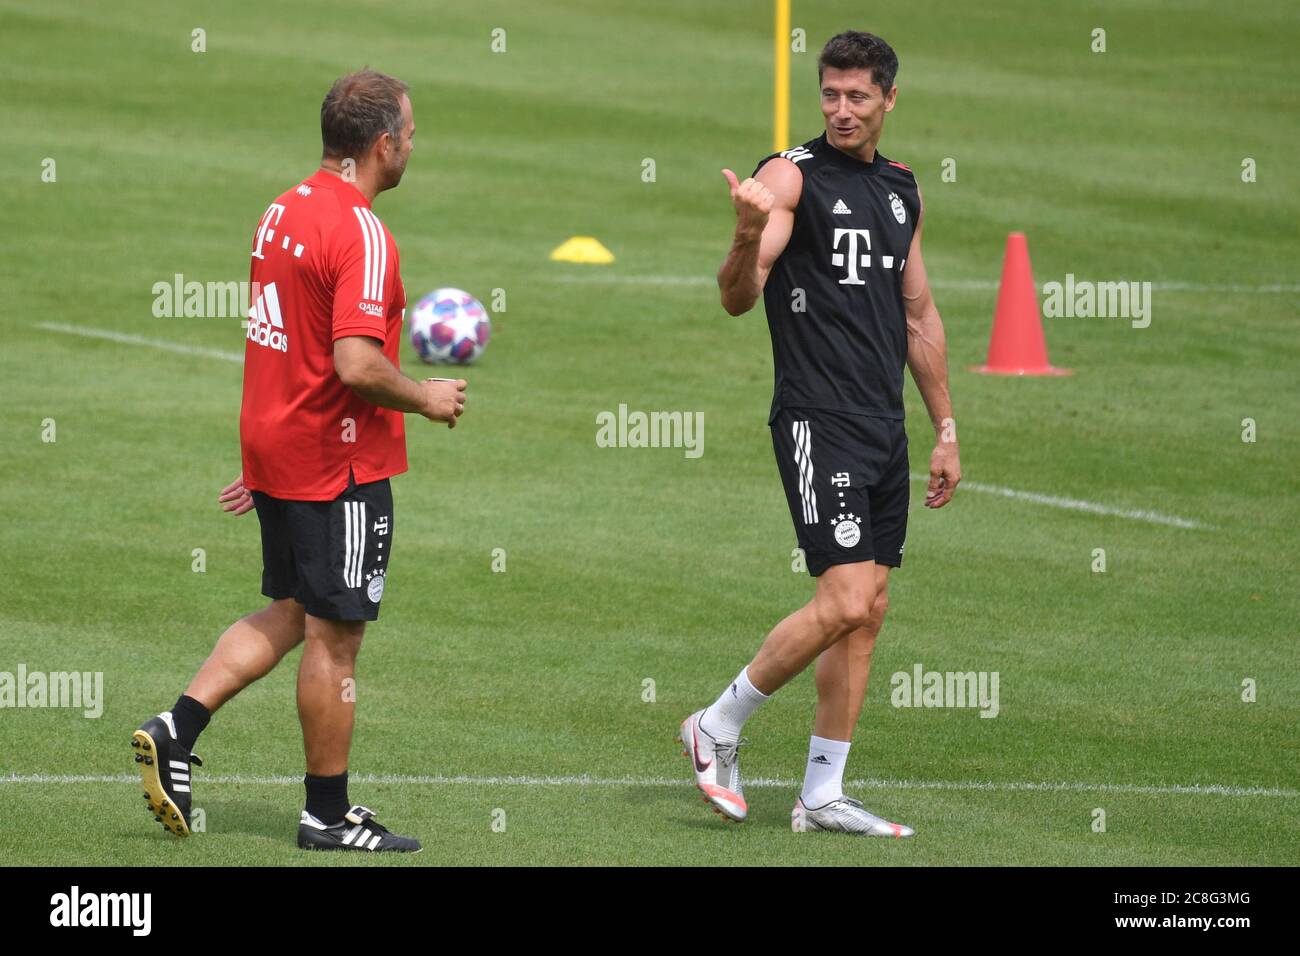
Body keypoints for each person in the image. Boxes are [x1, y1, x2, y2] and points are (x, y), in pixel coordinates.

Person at [132, 70, 467, 852]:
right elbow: (355, 362)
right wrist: (425, 397)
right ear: (382, 144)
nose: (414, 143)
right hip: (335, 462)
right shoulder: (362, 233)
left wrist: (267, 457)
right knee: (335, 636)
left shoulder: (281, 209)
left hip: (279, 443)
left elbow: (282, 338)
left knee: (291, 608)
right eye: (410, 132)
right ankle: (327, 813)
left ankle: (176, 728)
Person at [680, 31, 961, 836]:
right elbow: (738, 297)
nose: (841, 110)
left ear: (889, 99)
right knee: (842, 598)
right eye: (830, 94)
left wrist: (945, 427)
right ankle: (716, 724)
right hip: (817, 418)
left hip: (883, 424)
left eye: (857, 96)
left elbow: (918, 316)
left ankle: (822, 793)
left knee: (868, 609)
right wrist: (745, 232)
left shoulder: (902, 189)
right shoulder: (789, 177)